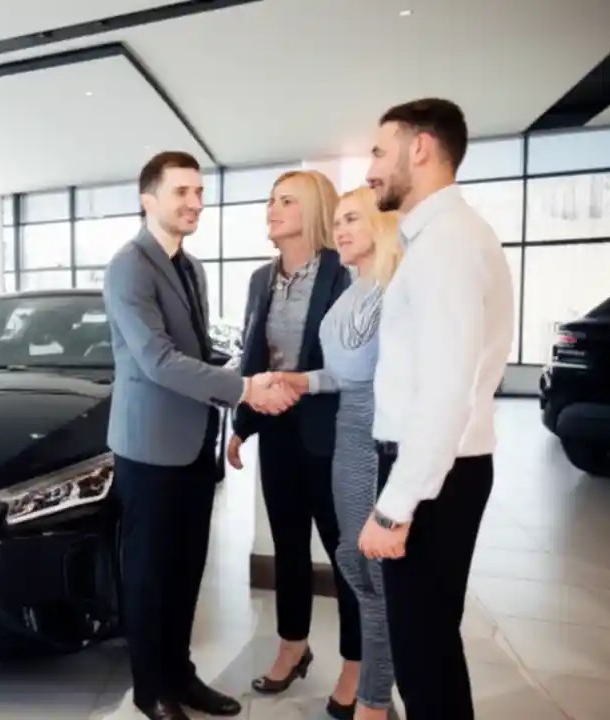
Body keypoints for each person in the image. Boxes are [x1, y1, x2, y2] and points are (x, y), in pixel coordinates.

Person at [103, 151, 299, 720]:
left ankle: (179, 674)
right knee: (148, 575)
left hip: (193, 444)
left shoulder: (191, 267)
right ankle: (149, 689)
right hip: (148, 449)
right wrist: (242, 388)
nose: (194, 204)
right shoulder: (129, 266)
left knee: (187, 569)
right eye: (181, 192)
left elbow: (193, 353)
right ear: (149, 200)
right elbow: (158, 361)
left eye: (199, 193)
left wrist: (248, 370)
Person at [358, 98, 514, 720]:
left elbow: (445, 390)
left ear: (418, 148)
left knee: (424, 657)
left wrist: (395, 511)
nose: (370, 170)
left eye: (377, 151)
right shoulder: (442, 236)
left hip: (433, 478)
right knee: (430, 650)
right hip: (442, 470)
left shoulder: (447, 242)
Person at [226, 170, 359, 713]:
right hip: (277, 431)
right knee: (288, 549)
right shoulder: (261, 278)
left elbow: (351, 363)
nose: (271, 210)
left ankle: (356, 665)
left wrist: (299, 386)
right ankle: (292, 647)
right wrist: (240, 424)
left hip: (330, 434)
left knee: (344, 555)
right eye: (270, 201)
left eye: (285, 202)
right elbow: (254, 357)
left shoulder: (342, 274)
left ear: (314, 211)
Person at [272, 186, 404, 720]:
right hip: (347, 441)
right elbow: (343, 374)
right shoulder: (356, 288)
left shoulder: (396, 290)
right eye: (340, 221)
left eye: (353, 219)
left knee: (377, 579)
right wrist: (298, 379)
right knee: (357, 569)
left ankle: (373, 701)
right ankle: (376, 696)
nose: (340, 230)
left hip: (377, 441)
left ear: (381, 225)